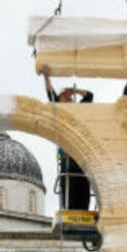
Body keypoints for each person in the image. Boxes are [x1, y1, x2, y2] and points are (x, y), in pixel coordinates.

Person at [40, 64, 93, 211]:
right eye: (64, 96)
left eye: (69, 96)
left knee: (83, 180)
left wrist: (74, 90)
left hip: (81, 152)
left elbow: (89, 96)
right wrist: (46, 76)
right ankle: (70, 208)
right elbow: (50, 94)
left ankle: (83, 209)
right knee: (69, 180)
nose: (67, 98)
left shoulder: (78, 111)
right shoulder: (59, 112)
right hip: (68, 153)